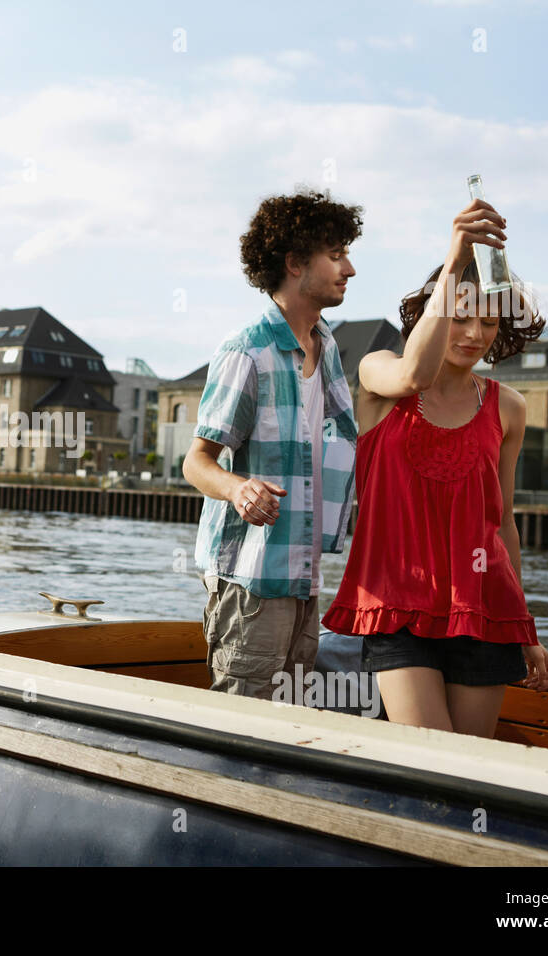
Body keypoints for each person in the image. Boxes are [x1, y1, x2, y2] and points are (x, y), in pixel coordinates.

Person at [321, 197, 548, 737]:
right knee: (431, 757)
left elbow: (502, 525)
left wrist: (525, 627)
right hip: (396, 603)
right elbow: (413, 377)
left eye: (489, 323)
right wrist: (454, 262)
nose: (474, 334)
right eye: (460, 316)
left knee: (470, 772)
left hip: (483, 607)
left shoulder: (509, 408)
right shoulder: (378, 375)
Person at [184, 188, 362, 699]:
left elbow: (343, 448)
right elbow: (196, 462)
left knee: (292, 716)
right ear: (293, 263)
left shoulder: (326, 347)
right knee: (243, 722)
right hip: (251, 579)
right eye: (336, 255)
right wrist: (239, 489)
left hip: (304, 577)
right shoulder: (247, 352)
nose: (349, 269)